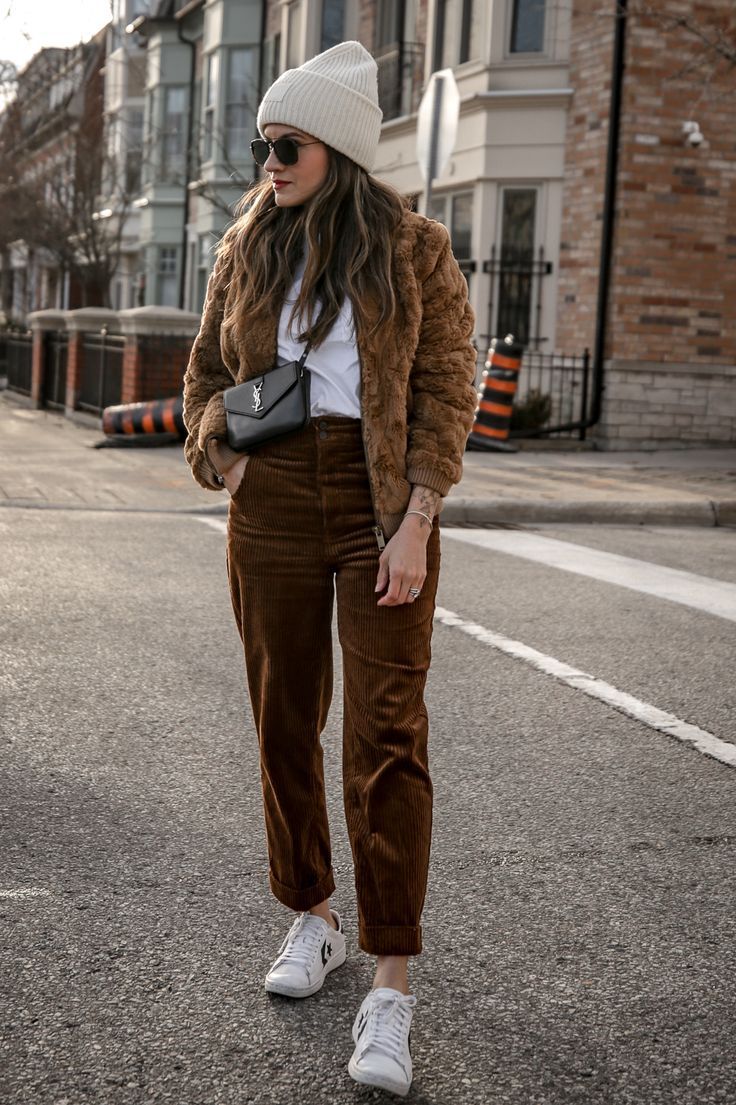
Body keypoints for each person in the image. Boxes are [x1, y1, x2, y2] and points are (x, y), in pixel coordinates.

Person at [182, 39, 477, 1098]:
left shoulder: (415, 250)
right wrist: (224, 450)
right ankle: (313, 914)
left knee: (386, 736)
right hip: (271, 499)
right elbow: (205, 376)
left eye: (288, 144)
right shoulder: (248, 244)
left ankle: (391, 981)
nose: (269, 161)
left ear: (339, 149)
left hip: (377, 502)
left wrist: (418, 517)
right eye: (262, 143)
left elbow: (447, 384)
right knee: (282, 718)